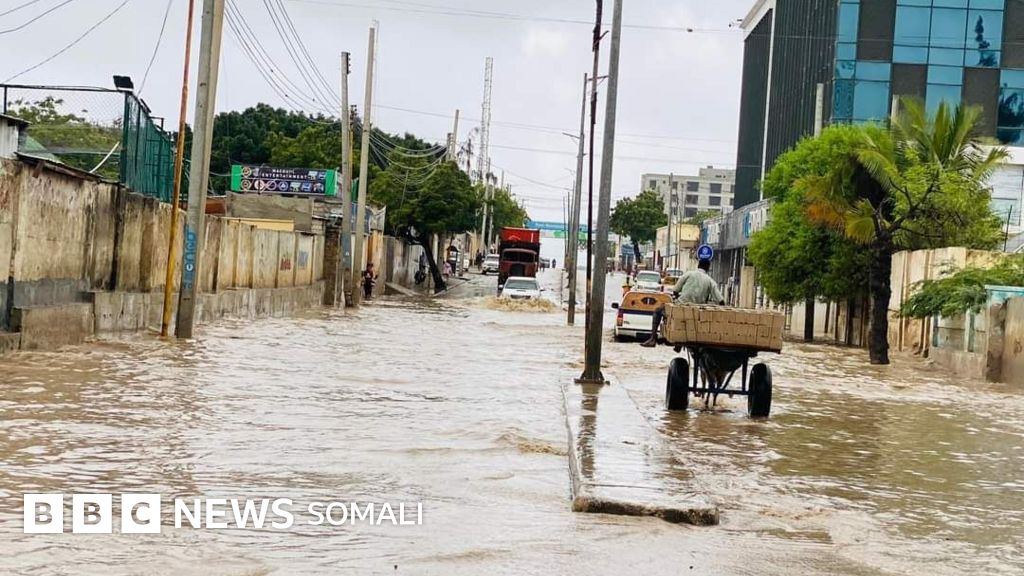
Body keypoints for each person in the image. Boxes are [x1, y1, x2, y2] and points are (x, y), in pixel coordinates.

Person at [640, 259, 724, 347]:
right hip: (698, 311)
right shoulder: (710, 281)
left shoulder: (689, 274)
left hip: (681, 306)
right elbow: (721, 301)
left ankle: (653, 338)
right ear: (708, 268)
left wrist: (679, 296)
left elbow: (675, 290)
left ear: (698, 265)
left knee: (658, 310)